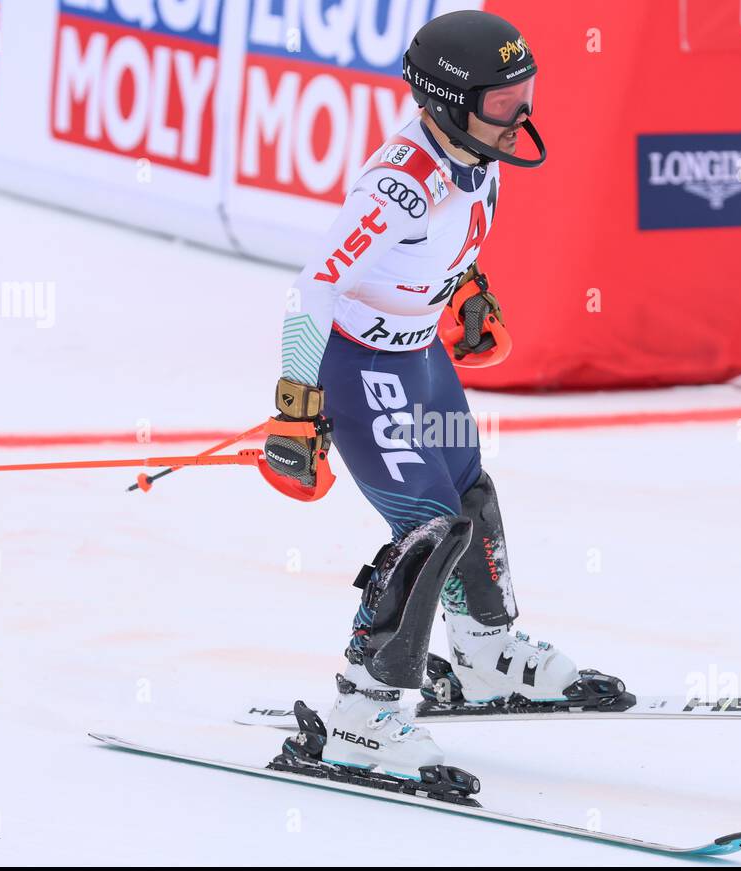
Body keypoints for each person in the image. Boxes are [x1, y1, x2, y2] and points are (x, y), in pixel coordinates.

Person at [262, 10, 614, 781]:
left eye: (526, 94)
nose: (520, 115)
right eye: (502, 102)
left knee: (467, 493)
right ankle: (364, 713)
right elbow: (313, 286)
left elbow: (438, 249)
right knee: (426, 527)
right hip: (361, 366)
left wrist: (465, 294)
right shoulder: (399, 187)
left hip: (418, 353)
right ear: (450, 103)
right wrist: (295, 410)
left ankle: (485, 651)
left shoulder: (480, 152)